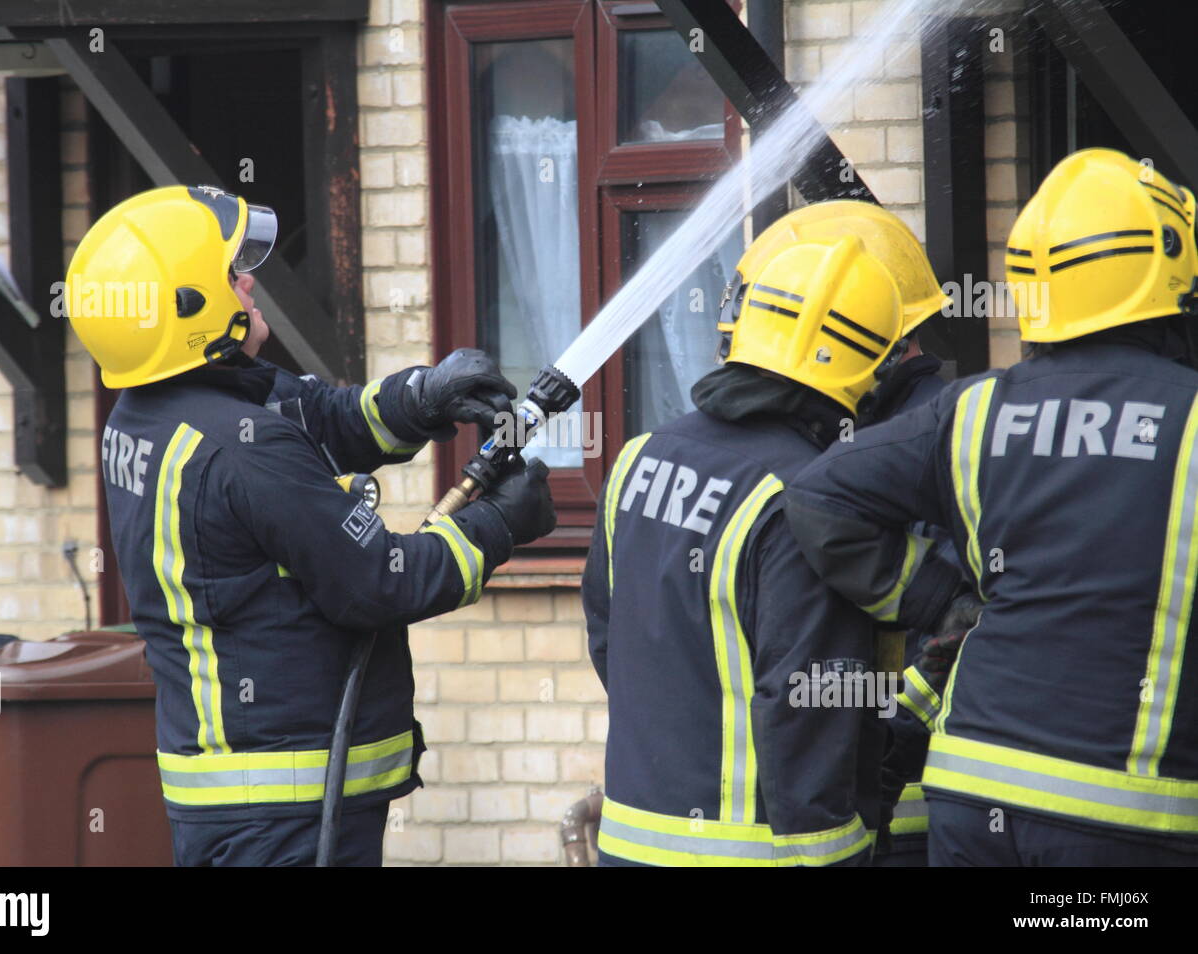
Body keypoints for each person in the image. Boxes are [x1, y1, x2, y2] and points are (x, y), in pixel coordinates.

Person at [67, 185, 556, 866]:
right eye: (228, 273)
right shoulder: (242, 451)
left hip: (237, 797)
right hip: (287, 814)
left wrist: (420, 398)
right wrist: (498, 524)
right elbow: (383, 582)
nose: (247, 280)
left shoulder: (149, 414)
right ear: (189, 309)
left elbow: (316, 413)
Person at [786, 148, 1198, 866]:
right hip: (1124, 817)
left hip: (970, 796)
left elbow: (820, 495)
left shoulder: (974, 409)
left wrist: (944, 599)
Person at [582, 201, 947, 866]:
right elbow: (804, 704)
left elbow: (611, 642)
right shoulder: (803, 497)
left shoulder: (637, 459)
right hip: (751, 851)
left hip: (631, 841)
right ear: (866, 370)